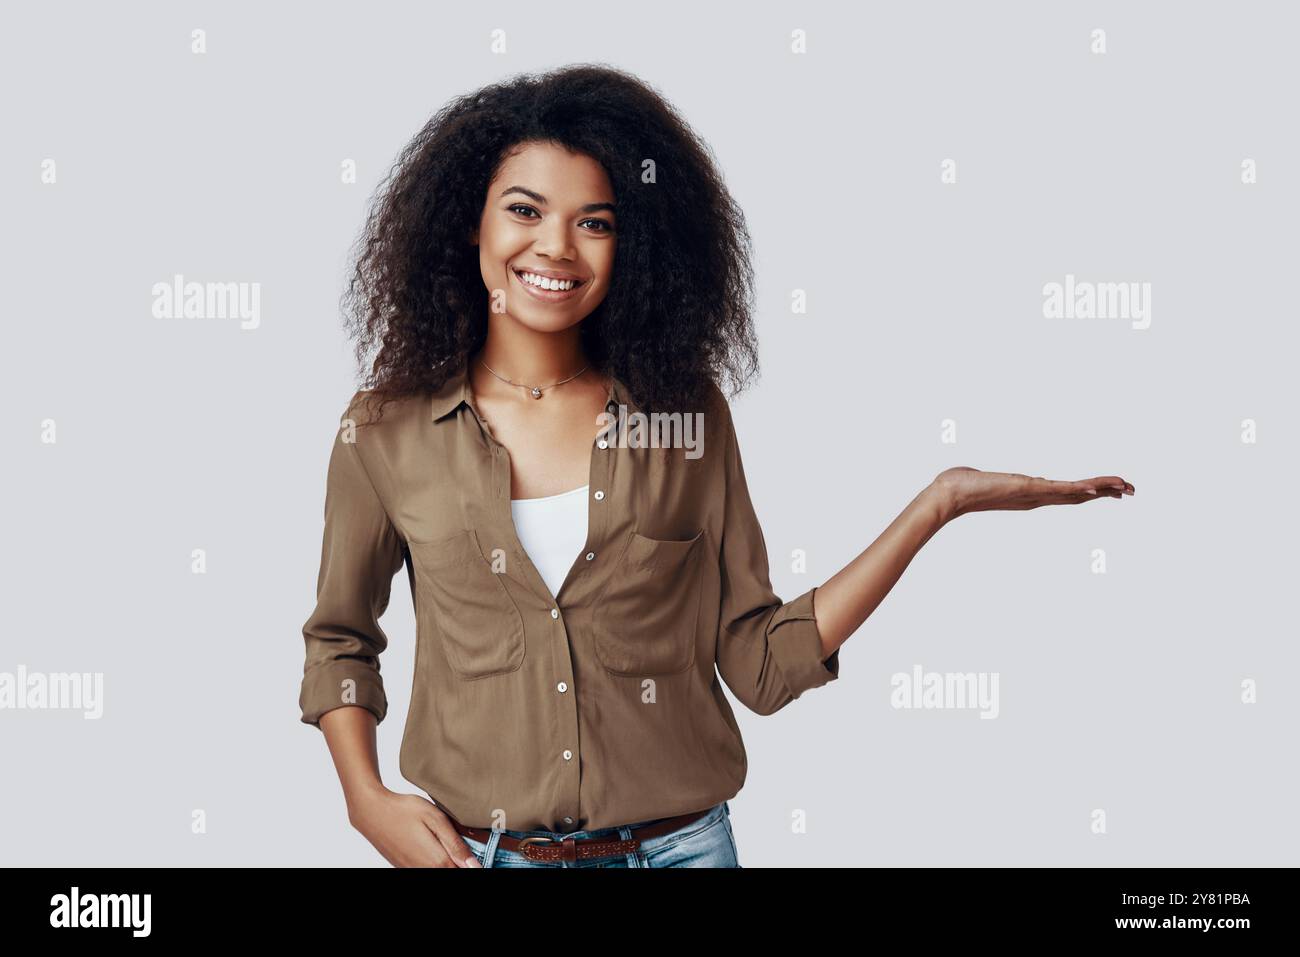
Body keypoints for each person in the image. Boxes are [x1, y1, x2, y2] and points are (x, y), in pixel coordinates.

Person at [298, 63, 1134, 869]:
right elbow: (340, 636)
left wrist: (937, 504)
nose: (557, 247)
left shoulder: (685, 417)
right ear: (468, 221)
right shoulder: (384, 430)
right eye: (525, 210)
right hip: (475, 855)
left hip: (682, 851)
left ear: (635, 246)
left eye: (596, 221)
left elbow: (758, 662)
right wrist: (364, 798)